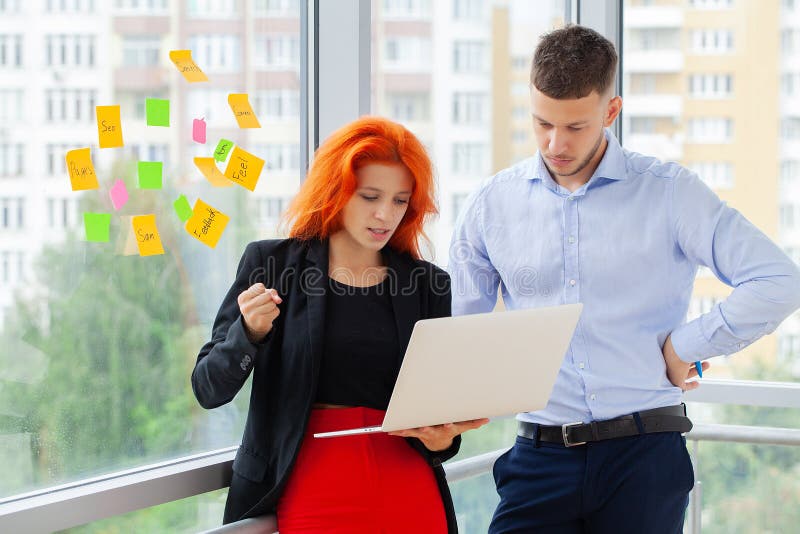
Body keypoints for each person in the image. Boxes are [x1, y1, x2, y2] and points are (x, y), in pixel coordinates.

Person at [449, 25, 800, 534]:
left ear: (611, 112)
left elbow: (778, 279)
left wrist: (685, 345)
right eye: (542, 122)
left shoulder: (670, 193)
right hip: (538, 457)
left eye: (575, 126)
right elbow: (464, 333)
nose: (555, 143)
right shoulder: (491, 204)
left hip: (645, 456)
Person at [192, 116, 487, 533]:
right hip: (308, 480)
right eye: (370, 196)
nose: (385, 215)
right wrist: (249, 332)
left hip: (406, 483)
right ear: (337, 189)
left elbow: (437, 413)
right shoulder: (273, 265)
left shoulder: (428, 284)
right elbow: (207, 388)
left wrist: (443, 439)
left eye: (400, 201)